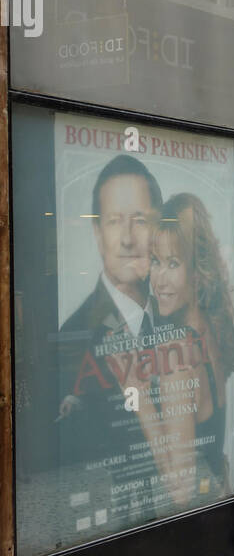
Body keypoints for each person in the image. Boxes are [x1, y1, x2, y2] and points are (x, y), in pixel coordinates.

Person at [57, 154, 163, 464]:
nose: (128, 239)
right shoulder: (75, 334)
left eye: (140, 220)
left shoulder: (176, 314)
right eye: (115, 221)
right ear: (98, 233)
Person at [144, 192, 234, 506]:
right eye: (155, 262)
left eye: (173, 263)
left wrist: (139, 399)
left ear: (196, 272)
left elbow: (179, 491)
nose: (159, 279)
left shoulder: (176, 352)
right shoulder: (211, 330)